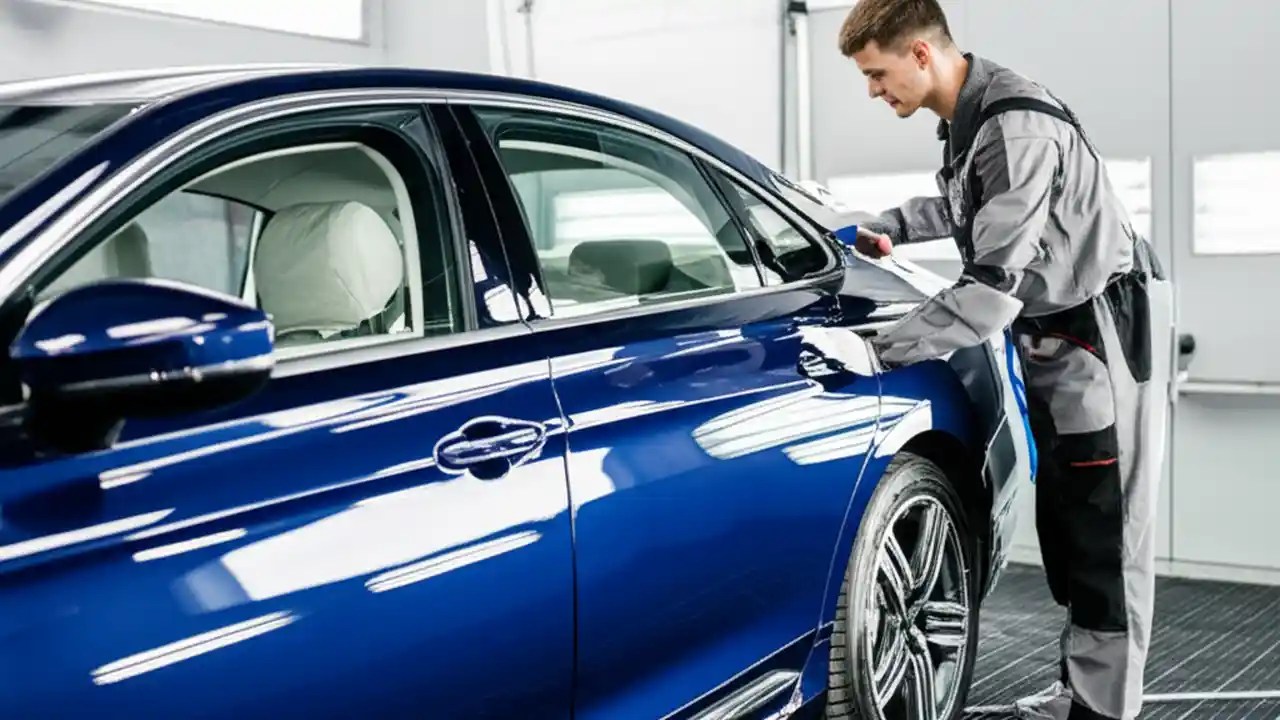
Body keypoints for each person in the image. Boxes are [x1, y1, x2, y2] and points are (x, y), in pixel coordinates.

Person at [834, 1, 1163, 719]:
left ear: (921, 54)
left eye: (876, 73)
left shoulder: (1013, 124)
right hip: (1057, 334)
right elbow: (968, 209)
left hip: (1098, 332)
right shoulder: (972, 119)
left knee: (1106, 529)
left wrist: (874, 351)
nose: (873, 91)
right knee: (1072, 520)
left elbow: (988, 293)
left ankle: (1105, 710)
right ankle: (1082, 690)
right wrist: (883, 227)